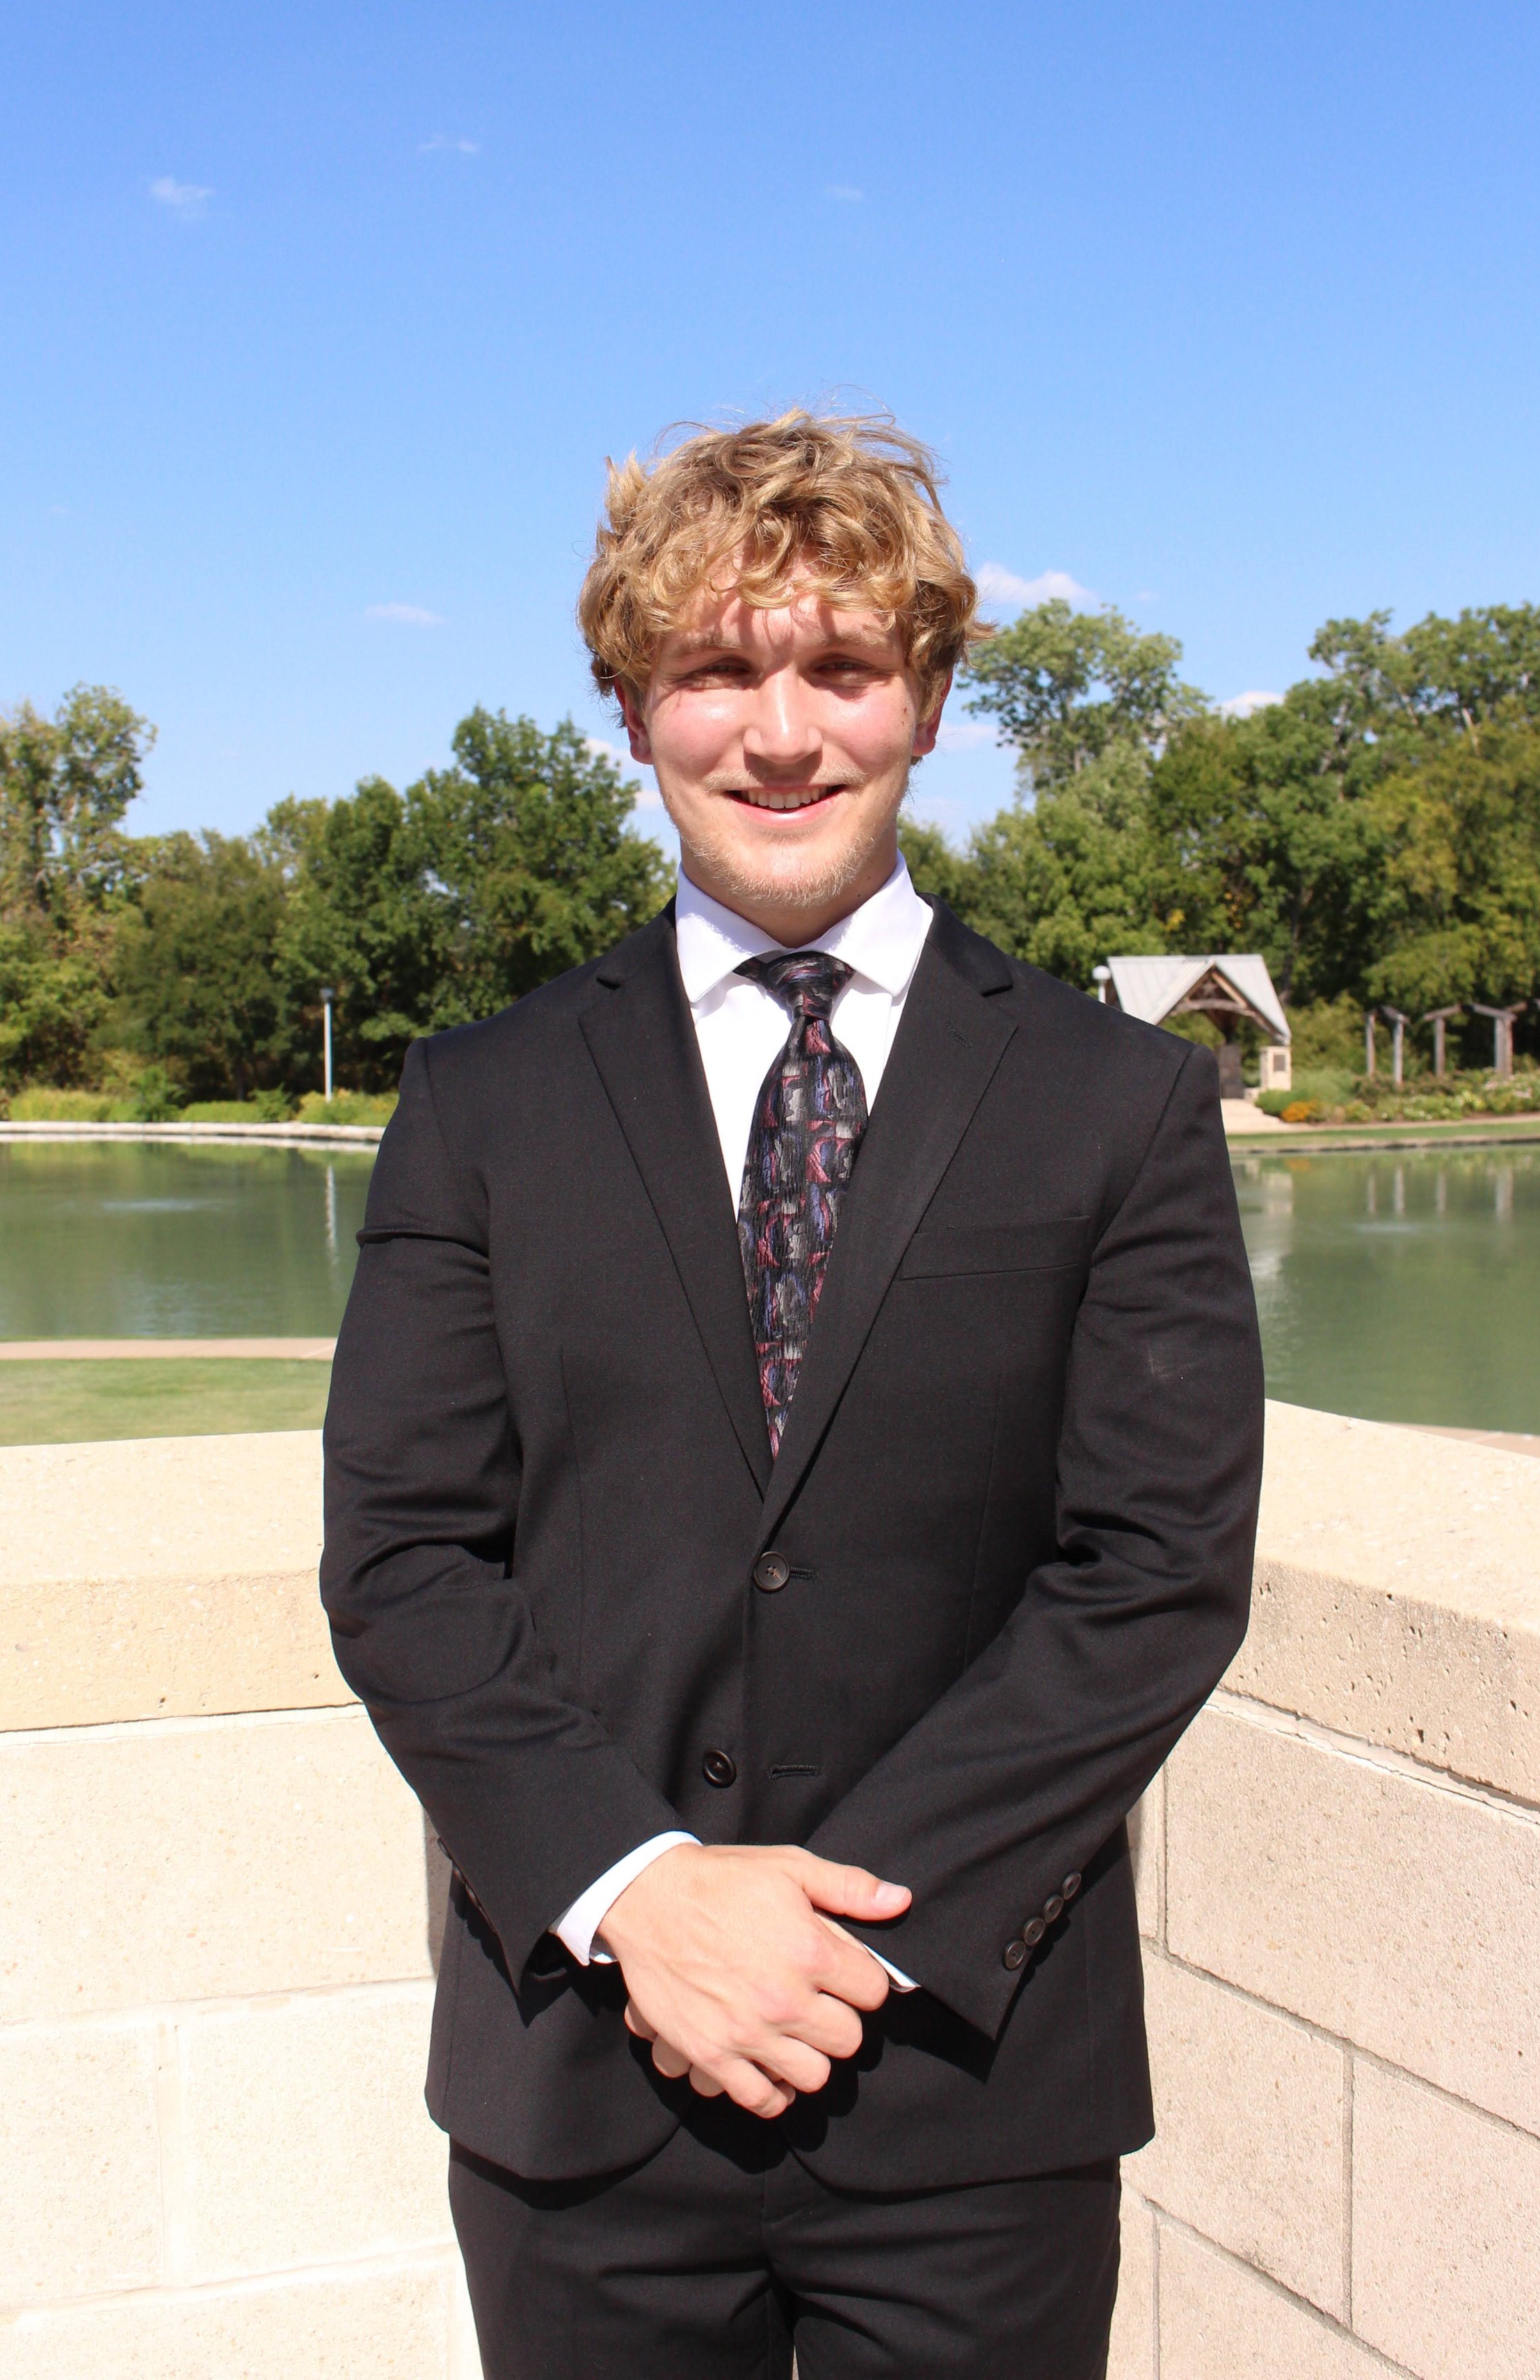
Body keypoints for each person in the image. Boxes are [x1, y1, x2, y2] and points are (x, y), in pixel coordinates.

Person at [321, 410, 1264, 2379]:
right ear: (628, 706)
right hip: (582, 2076)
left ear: (926, 697)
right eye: (715, 671)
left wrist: (831, 1941)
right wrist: (641, 1892)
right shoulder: (475, 1105)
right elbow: (407, 1560)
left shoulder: (1123, 1105)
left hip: (968, 2091)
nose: (779, 733)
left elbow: (1151, 1570)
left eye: (838, 668)